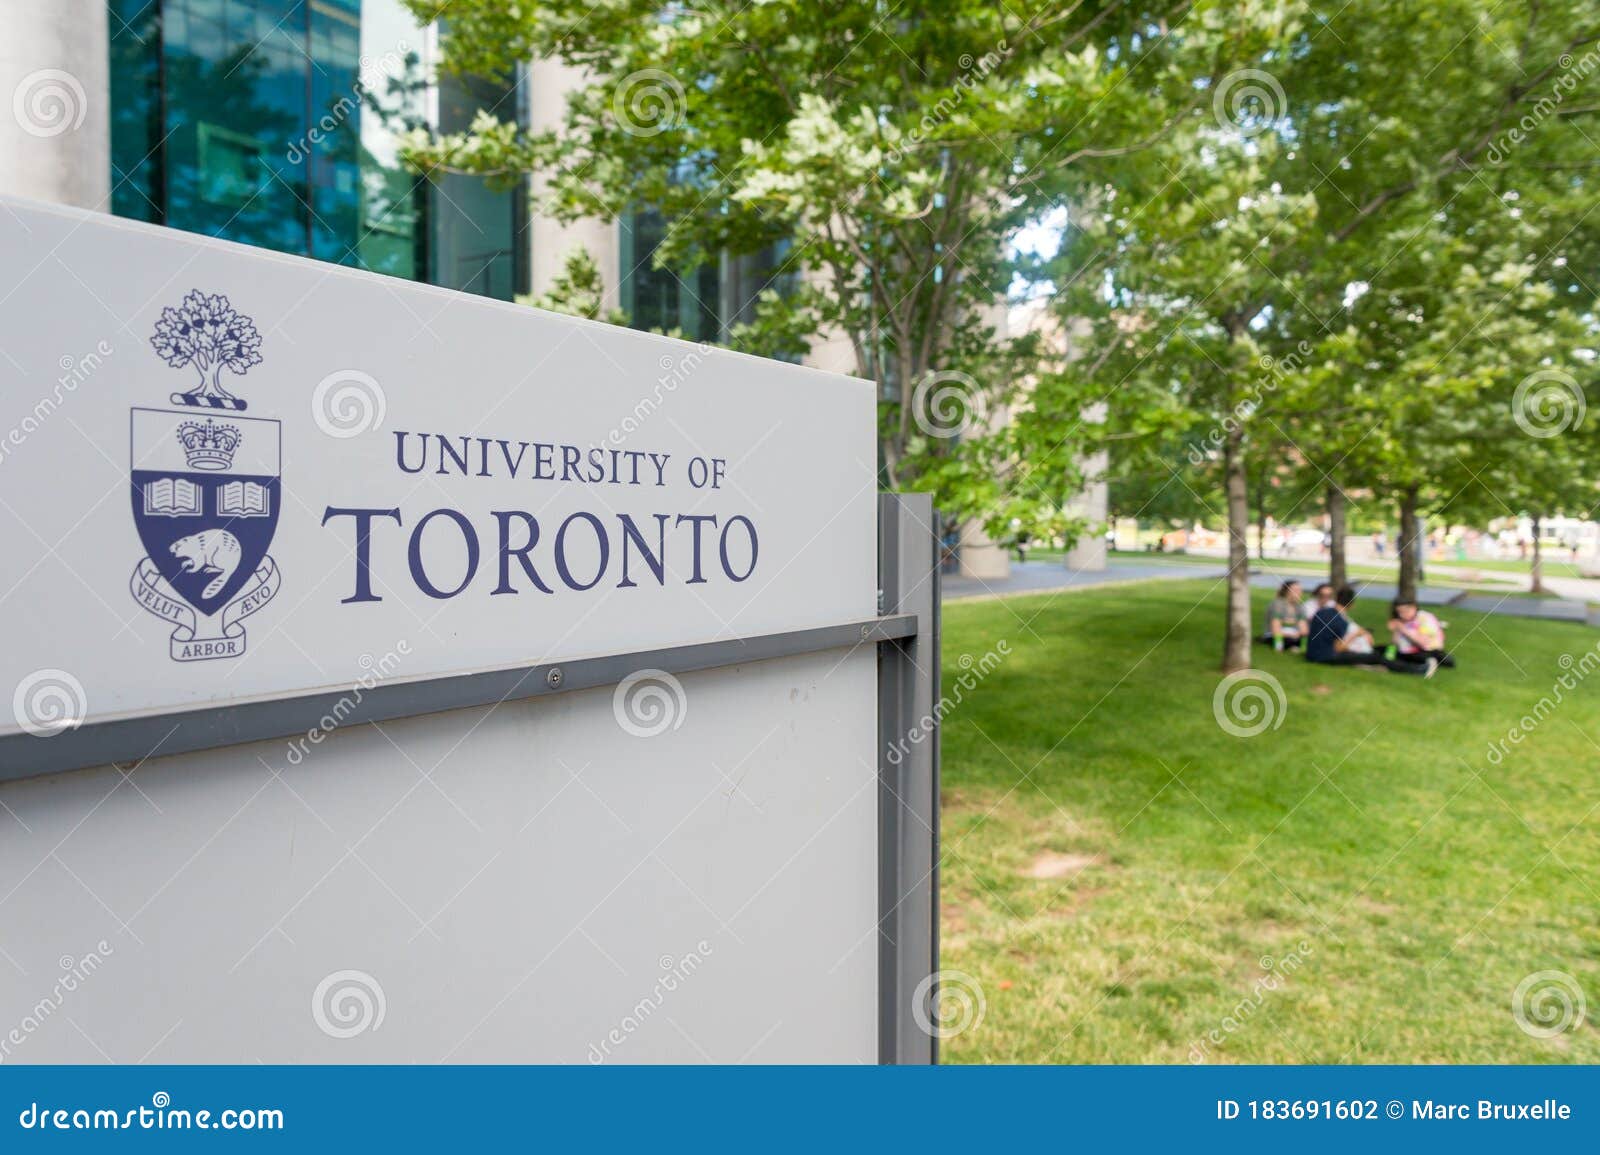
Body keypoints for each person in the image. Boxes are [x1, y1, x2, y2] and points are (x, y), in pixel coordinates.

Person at [1305, 586, 1436, 675]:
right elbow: (1339, 649)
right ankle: (1418, 671)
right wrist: (1355, 634)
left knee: (1374, 652)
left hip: (1311, 653)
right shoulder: (1341, 621)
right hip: (1325, 657)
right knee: (1376, 657)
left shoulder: (1322, 612)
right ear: (1352, 604)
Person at [1387, 598, 1455, 671]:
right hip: (1409, 650)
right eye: (1400, 612)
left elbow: (1423, 643)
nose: (1403, 615)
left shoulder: (1424, 618)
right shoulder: (1402, 621)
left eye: (1406, 611)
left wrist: (1403, 629)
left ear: (1414, 608)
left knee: (1413, 656)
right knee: (1383, 651)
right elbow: (1394, 644)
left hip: (1429, 650)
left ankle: (1429, 662)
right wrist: (1389, 655)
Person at [1259, 580, 1306, 650]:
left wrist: (1298, 634)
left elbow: (1304, 630)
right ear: (1286, 591)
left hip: (1293, 635)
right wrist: (1291, 635)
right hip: (1274, 635)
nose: (1299, 592)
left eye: (1300, 590)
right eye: (1295, 590)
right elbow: (1276, 629)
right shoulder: (1277, 604)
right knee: (1289, 640)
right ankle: (1282, 647)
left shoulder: (1299, 606)